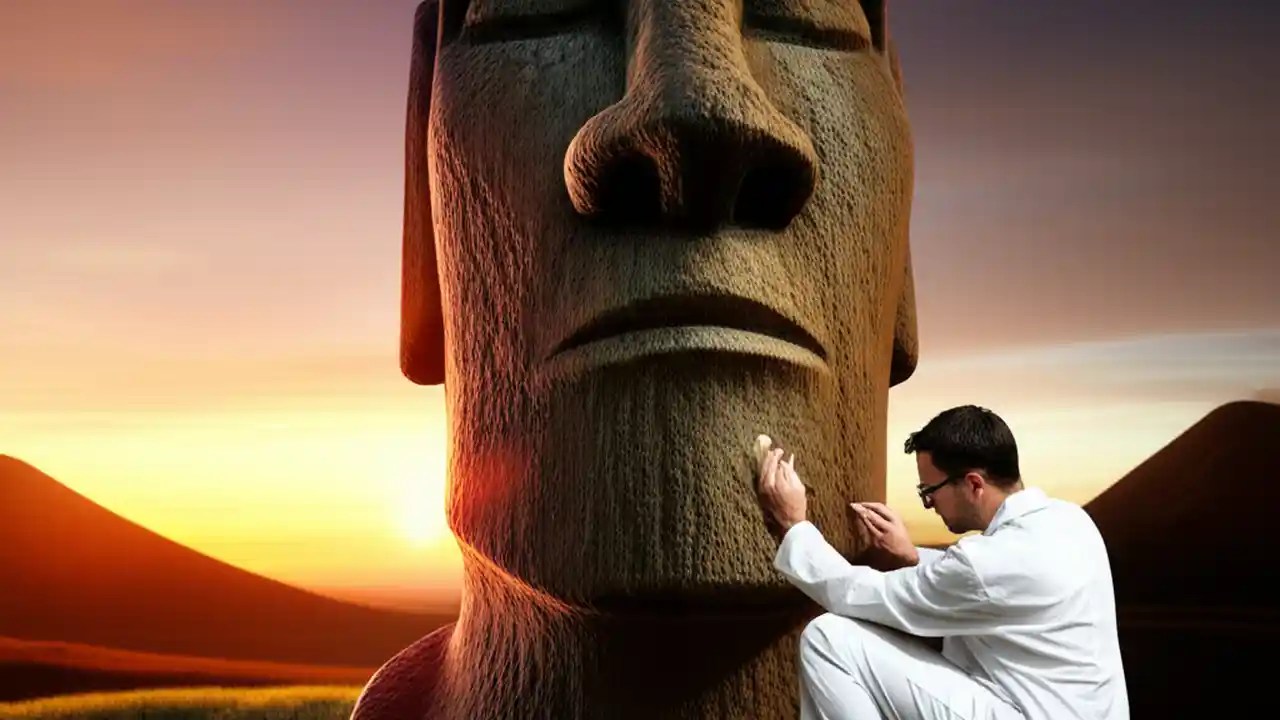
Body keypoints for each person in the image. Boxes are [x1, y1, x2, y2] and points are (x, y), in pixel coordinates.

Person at [756, 405, 1130, 719]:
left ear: (973, 484)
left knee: (829, 639)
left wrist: (796, 526)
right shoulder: (1072, 522)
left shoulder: (985, 565)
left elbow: (857, 593)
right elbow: (992, 588)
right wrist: (914, 557)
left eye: (929, 491)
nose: (928, 502)